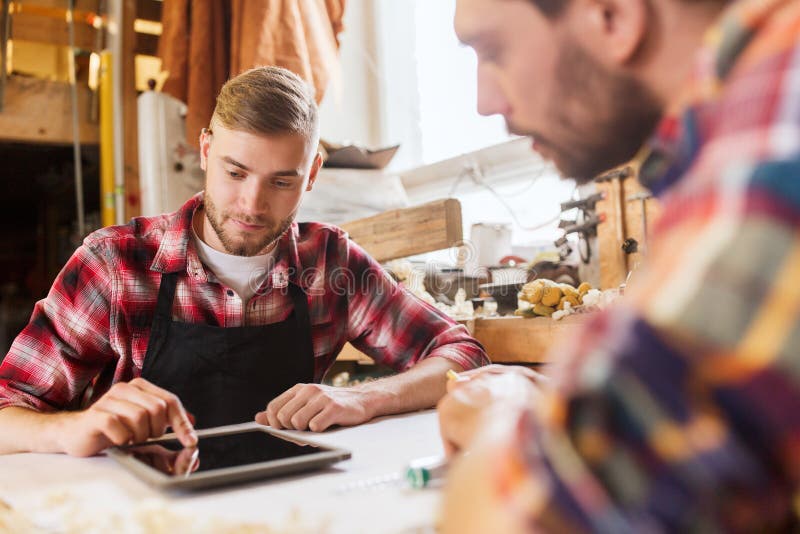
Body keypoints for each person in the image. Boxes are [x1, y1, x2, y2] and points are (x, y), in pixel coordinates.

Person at [439, 0, 800, 531]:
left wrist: (503, 413)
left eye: (493, 51)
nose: (484, 102)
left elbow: (516, 518)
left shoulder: (775, 129)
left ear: (613, 16)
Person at [0, 66, 489, 457]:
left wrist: (364, 397)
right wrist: (71, 429)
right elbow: (8, 409)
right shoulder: (115, 263)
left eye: (281, 182)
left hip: (288, 507)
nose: (252, 205)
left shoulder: (331, 264)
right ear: (206, 150)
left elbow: (462, 355)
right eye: (235, 173)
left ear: (312, 174)